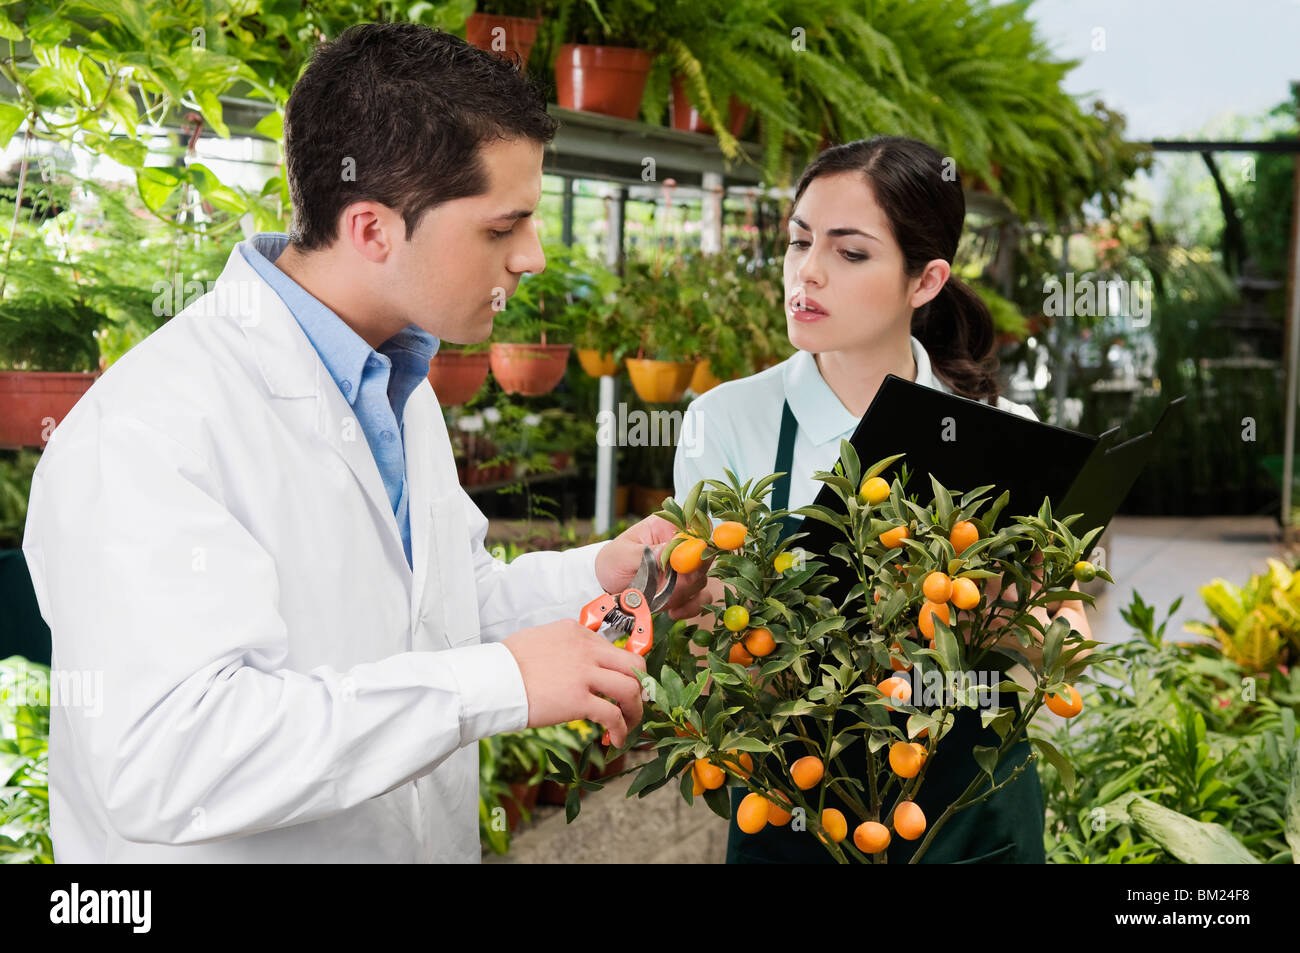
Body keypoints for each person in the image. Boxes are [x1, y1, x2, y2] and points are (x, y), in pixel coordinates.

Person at [21, 23, 709, 863]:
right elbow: (168, 758)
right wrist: (494, 684)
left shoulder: (395, 381)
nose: (531, 257)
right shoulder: (145, 430)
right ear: (374, 229)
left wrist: (596, 575)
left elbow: (440, 611)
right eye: (504, 227)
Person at [672, 136, 1092, 864]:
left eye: (850, 252)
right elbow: (713, 642)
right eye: (799, 241)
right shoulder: (727, 420)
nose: (807, 272)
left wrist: (1003, 604)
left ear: (925, 280)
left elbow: (1069, 641)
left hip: (971, 808)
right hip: (796, 808)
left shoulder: (1006, 434)